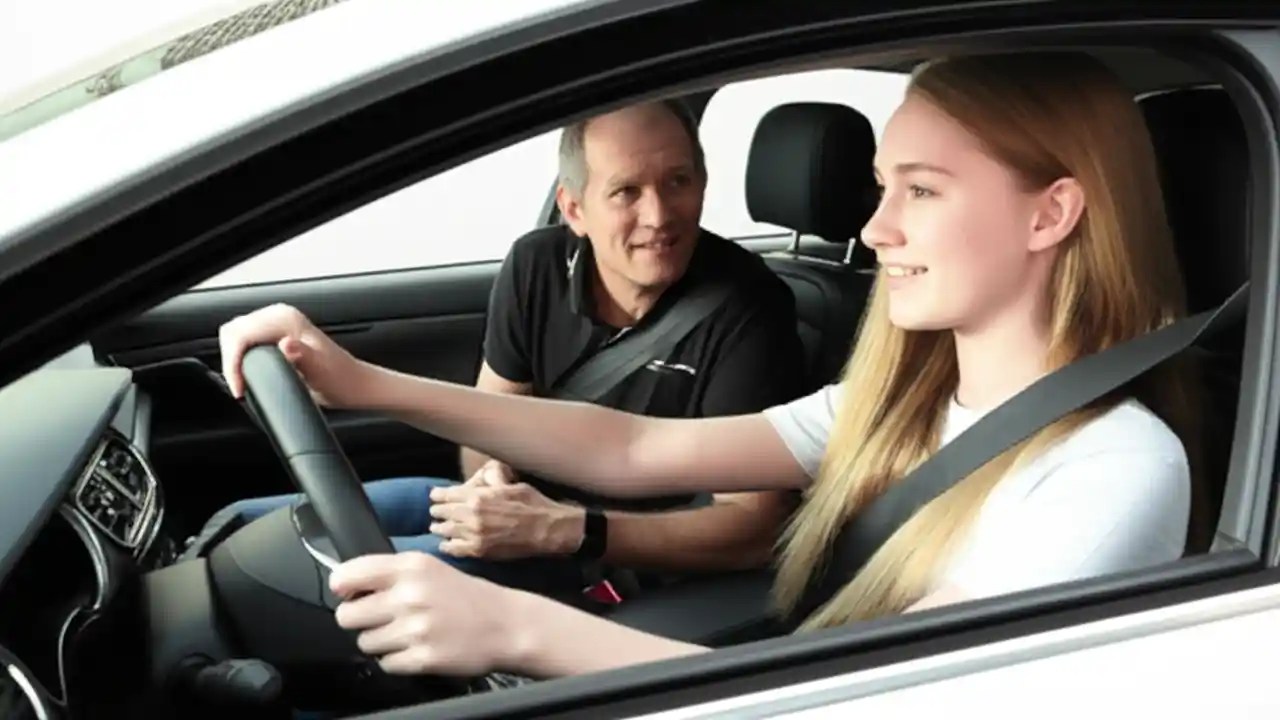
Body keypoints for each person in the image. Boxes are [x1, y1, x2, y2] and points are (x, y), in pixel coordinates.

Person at [216, 52, 1202, 680]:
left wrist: (516, 630)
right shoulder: (902, 399)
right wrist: (359, 382)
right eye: (877, 187)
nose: (875, 226)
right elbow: (637, 448)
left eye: (921, 191)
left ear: (1050, 214)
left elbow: (880, 709)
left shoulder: (1111, 470)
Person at [196, 99, 807, 600]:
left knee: (298, 586)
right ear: (574, 208)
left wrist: (563, 531)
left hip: (619, 562)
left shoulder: (749, 308)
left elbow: (753, 528)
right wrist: (490, 486)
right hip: (528, 518)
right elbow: (490, 418)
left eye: (679, 181)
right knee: (247, 531)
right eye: (626, 191)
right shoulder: (536, 265)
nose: (660, 214)